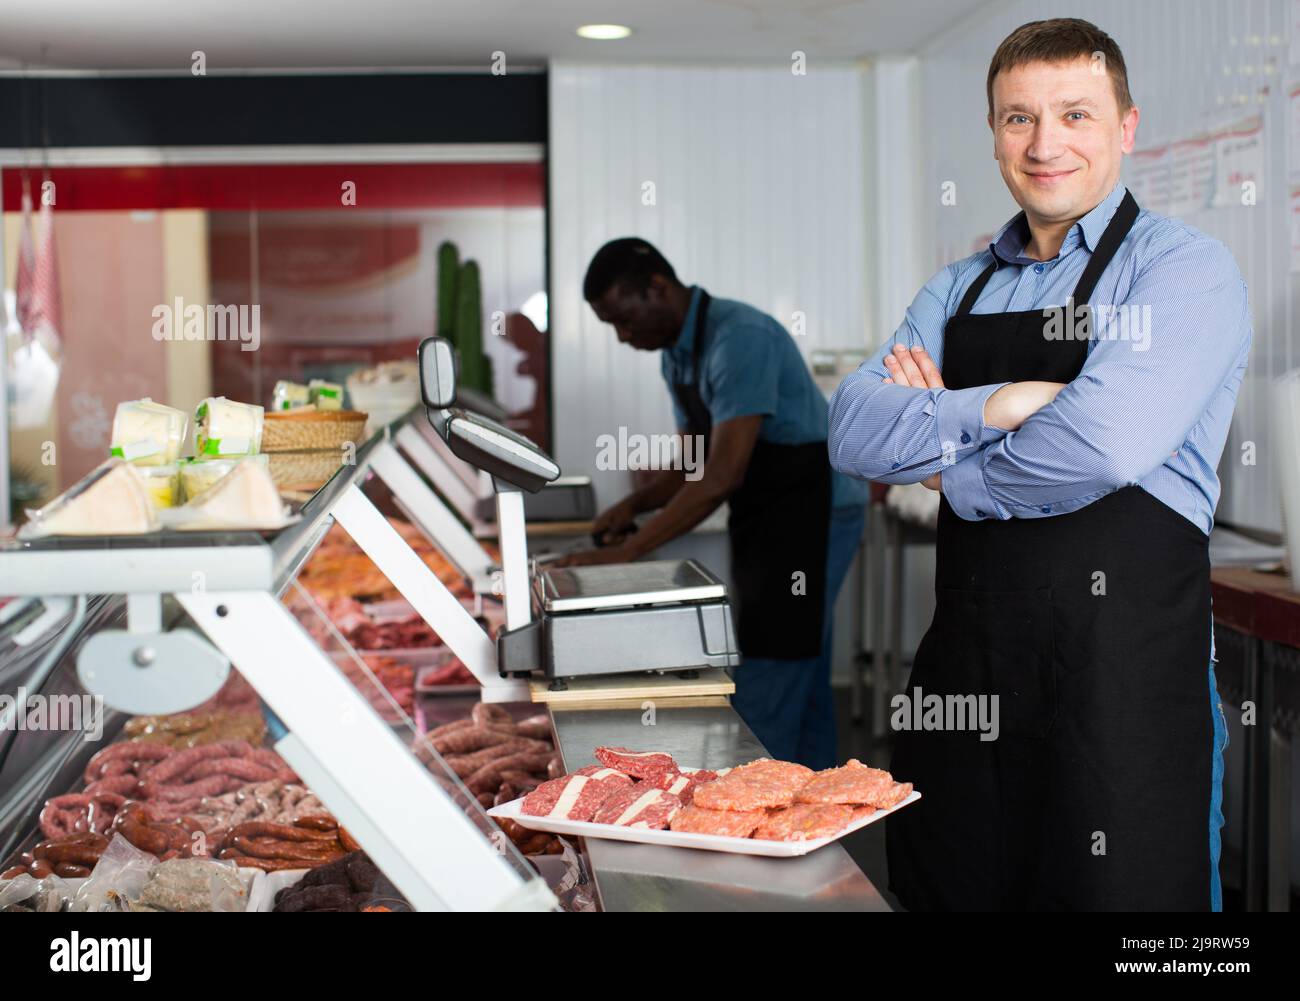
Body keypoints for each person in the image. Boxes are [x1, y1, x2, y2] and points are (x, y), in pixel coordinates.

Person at [829, 18, 1248, 911]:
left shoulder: (1184, 272)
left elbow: (1108, 440)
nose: (1045, 142)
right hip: (965, 700)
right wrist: (1003, 402)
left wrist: (952, 470)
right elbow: (854, 428)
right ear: (993, 134)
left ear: (1127, 126)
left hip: (1123, 710)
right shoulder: (958, 285)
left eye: (1075, 114)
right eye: (1018, 118)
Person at [560, 238, 868, 769]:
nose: (623, 336)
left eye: (623, 319)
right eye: (612, 326)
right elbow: (694, 463)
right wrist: (632, 505)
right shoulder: (676, 355)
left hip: (814, 508)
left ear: (658, 287)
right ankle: (823, 801)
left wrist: (625, 553)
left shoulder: (739, 337)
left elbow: (722, 474)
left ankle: (754, 808)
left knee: (777, 655)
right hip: (768, 506)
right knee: (804, 660)